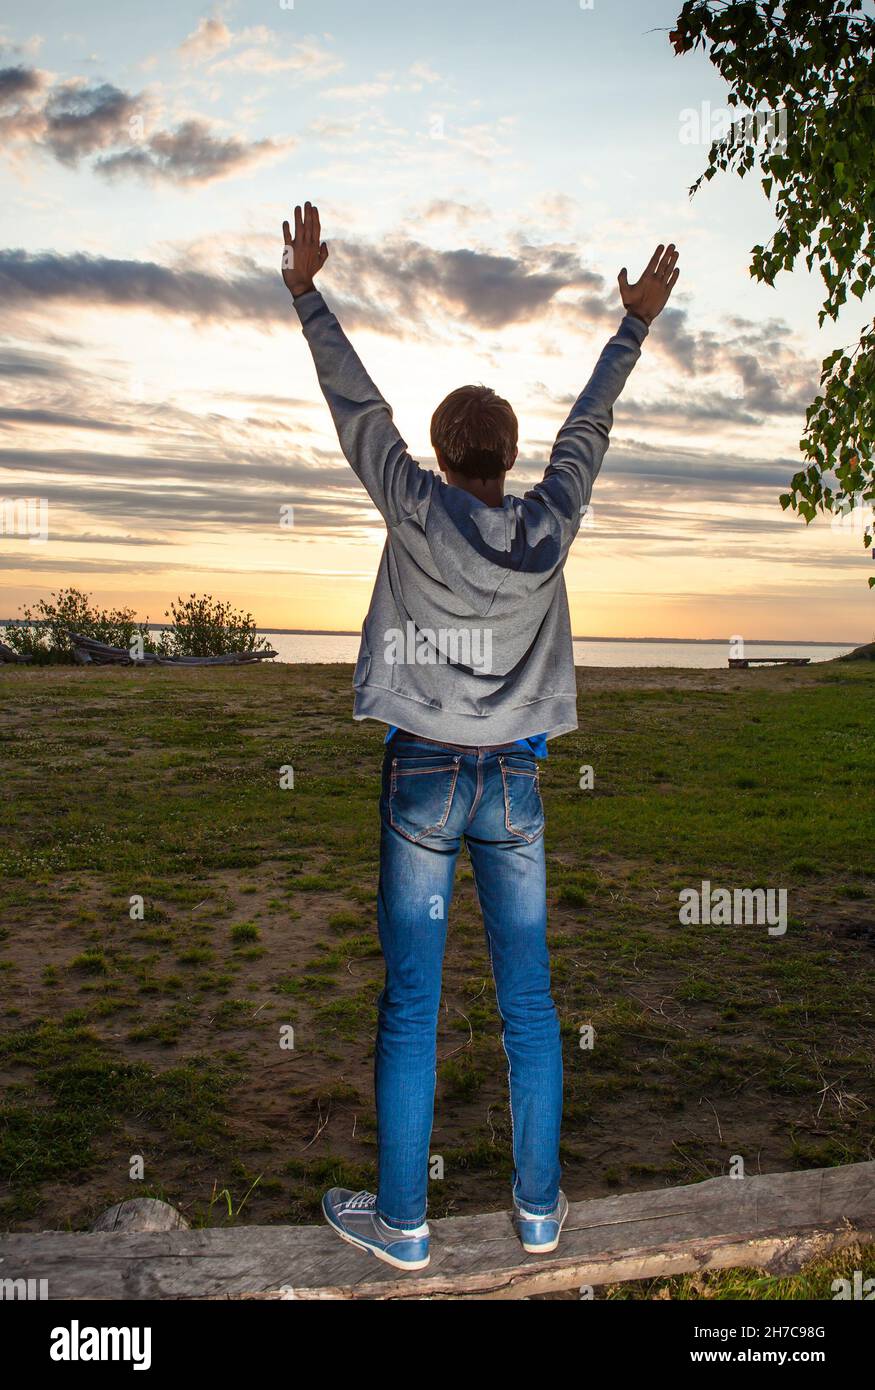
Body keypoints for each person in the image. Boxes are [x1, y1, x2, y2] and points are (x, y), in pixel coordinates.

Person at [282, 203, 679, 1271]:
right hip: (514, 786)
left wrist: (306, 290)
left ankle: (402, 1223)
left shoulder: (411, 506)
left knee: (411, 1002)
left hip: (420, 777)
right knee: (530, 1004)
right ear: (506, 459)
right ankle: (538, 1213)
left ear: (440, 455)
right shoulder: (547, 524)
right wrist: (630, 326)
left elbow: (354, 406)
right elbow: (588, 431)